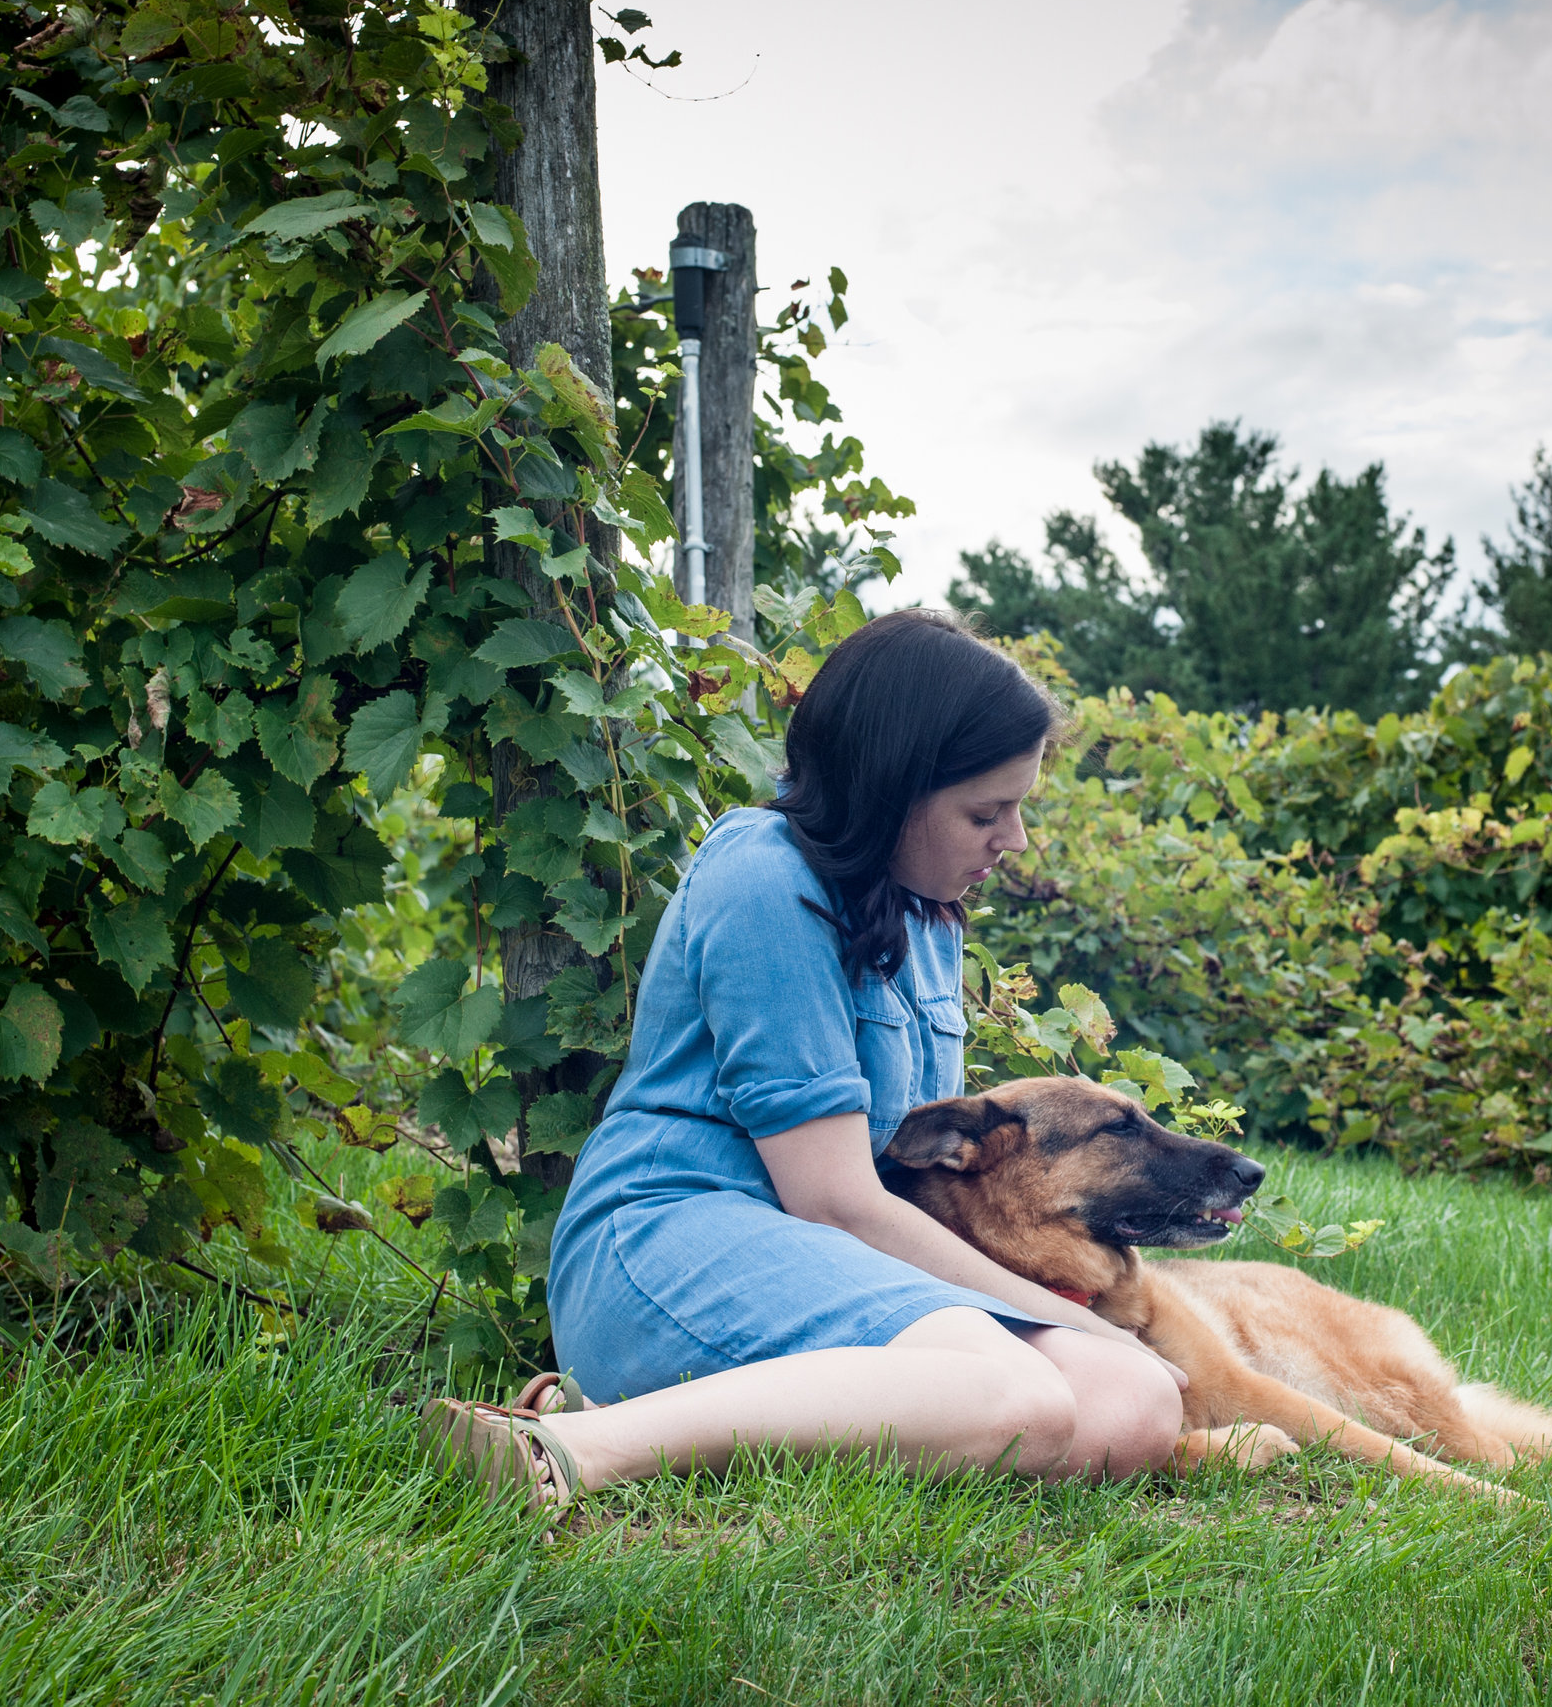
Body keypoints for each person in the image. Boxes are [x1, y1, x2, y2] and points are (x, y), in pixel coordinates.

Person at [427, 611, 1185, 1510]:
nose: (1013, 840)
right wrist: (1070, 1317)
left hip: (819, 1262)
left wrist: (1088, 1336)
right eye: (986, 812)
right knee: (1021, 1395)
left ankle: (675, 1414)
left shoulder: (925, 915)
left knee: (1128, 1406)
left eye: (1017, 808)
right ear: (892, 788)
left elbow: (901, 1178)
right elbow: (833, 1198)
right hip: (674, 1238)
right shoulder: (763, 877)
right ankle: (565, 1449)